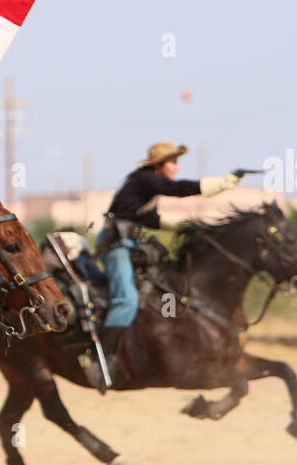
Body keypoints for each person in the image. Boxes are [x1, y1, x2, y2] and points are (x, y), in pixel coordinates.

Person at [88, 142, 240, 391]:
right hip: (116, 246)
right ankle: (101, 361)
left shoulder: (146, 188)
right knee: (126, 301)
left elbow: (152, 220)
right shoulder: (147, 179)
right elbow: (178, 189)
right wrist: (223, 183)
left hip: (129, 244)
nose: (177, 167)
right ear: (159, 166)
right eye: (173, 162)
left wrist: (193, 225)